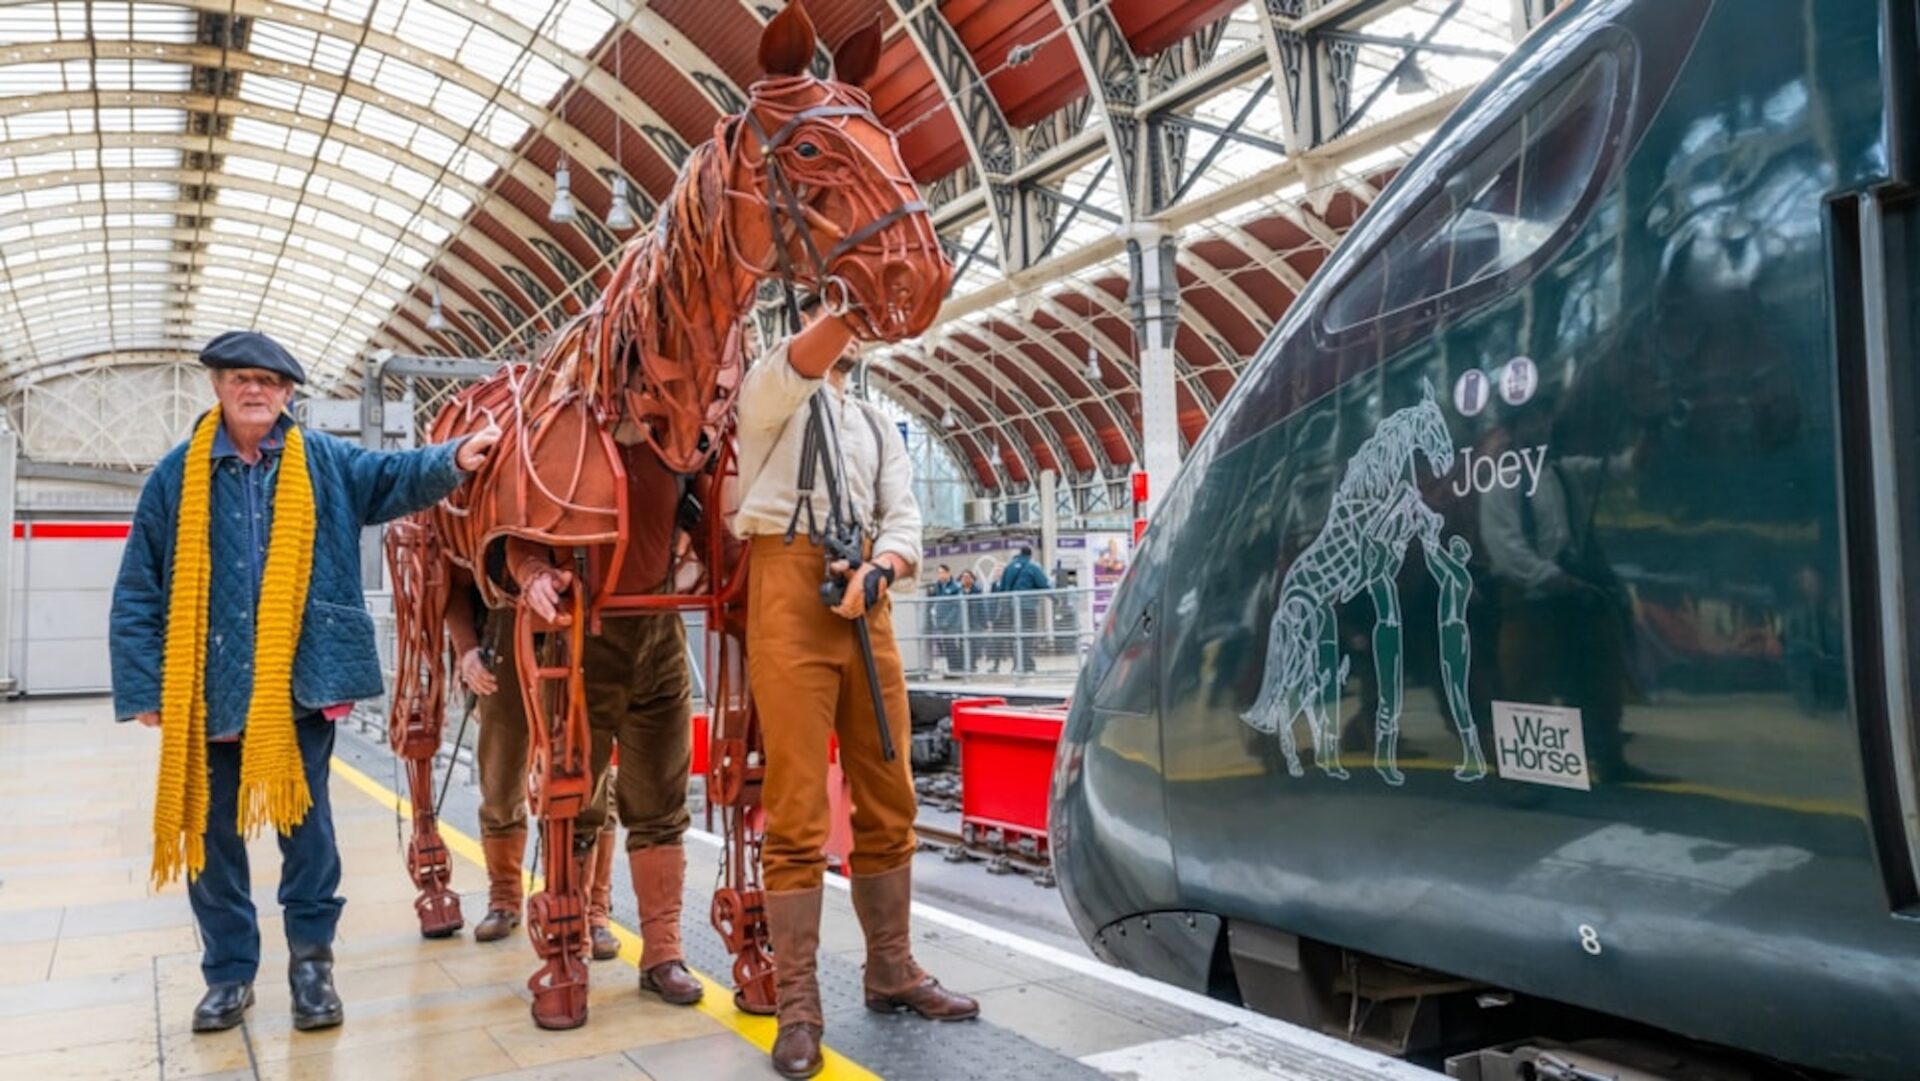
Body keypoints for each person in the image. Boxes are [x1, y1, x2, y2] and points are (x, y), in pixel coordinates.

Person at [109, 330, 499, 1034]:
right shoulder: (176, 477)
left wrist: (453, 459)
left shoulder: (322, 461)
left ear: (288, 393)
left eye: (267, 380)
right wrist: (143, 687)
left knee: (308, 829)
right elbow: (140, 584)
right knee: (214, 834)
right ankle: (228, 975)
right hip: (209, 690)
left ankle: (311, 970)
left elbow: (394, 477)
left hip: (301, 683)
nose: (253, 390)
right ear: (217, 387)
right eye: (238, 378)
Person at [733, 312, 978, 1079]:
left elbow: (902, 516)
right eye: (842, 318)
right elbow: (798, 365)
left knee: (889, 785)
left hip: (864, 594)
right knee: (799, 803)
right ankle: (800, 1004)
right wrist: (845, 304)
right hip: (786, 584)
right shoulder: (770, 390)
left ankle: (891, 967)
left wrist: (885, 567)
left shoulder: (877, 424)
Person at [502, 427, 708, 1007]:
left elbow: (710, 513)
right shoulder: (559, 438)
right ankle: (567, 950)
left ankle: (662, 952)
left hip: (659, 631)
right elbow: (517, 534)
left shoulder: (679, 446)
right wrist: (534, 575)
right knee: (573, 801)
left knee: (662, 802)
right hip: (578, 640)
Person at [444, 578, 624, 963]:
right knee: (500, 774)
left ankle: (594, 909)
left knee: (591, 779)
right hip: (505, 628)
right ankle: (505, 897)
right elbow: (452, 579)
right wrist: (467, 650)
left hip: (582, 627)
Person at [994, 545, 1051, 673]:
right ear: (1030, 555)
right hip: (1027, 608)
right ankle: (1026, 664)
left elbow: (1002, 589)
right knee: (1027, 636)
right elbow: (1044, 585)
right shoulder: (1033, 567)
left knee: (1016, 637)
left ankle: (1018, 665)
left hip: (1011, 609)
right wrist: (1056, 598)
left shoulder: (1008, 567)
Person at [928, 564, 964, 674]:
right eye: (938, 573)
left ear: (948, 573)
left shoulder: (955, 587)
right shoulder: (937, 586)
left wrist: (948, 621)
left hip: (953, 624)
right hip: (941, 622)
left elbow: (956, 607)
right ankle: (951, 669)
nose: (940, 575)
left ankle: (958, 669)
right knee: (947, 647)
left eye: (942, 572)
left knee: (954, 646)